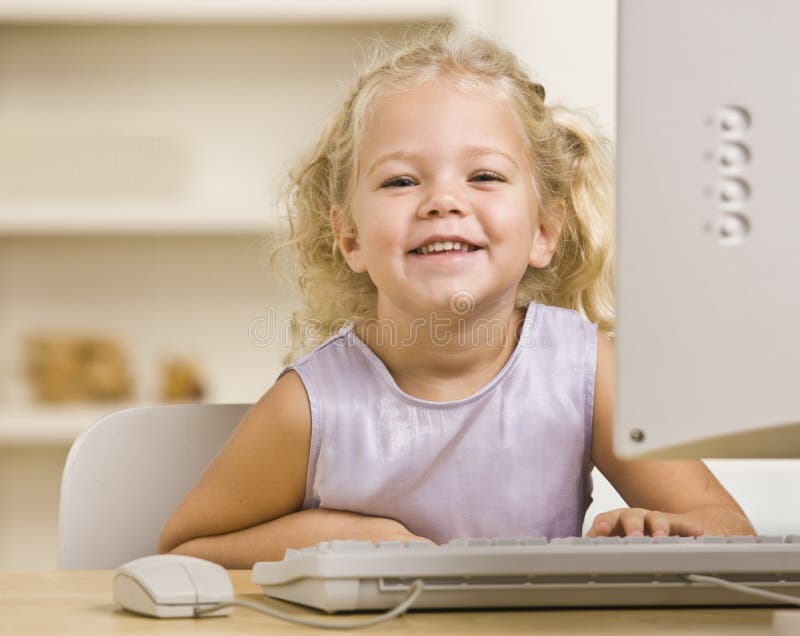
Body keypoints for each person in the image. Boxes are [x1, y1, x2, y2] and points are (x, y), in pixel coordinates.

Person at [158, 23, 754, 569]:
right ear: (350, 238)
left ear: (544, 230)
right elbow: (184, 549)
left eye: (484, 176)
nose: (443, 201)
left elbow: (732, 530)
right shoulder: (311, 405)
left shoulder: (585, 371)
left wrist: (659, 528)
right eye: (401, 180)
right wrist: (331, 535)